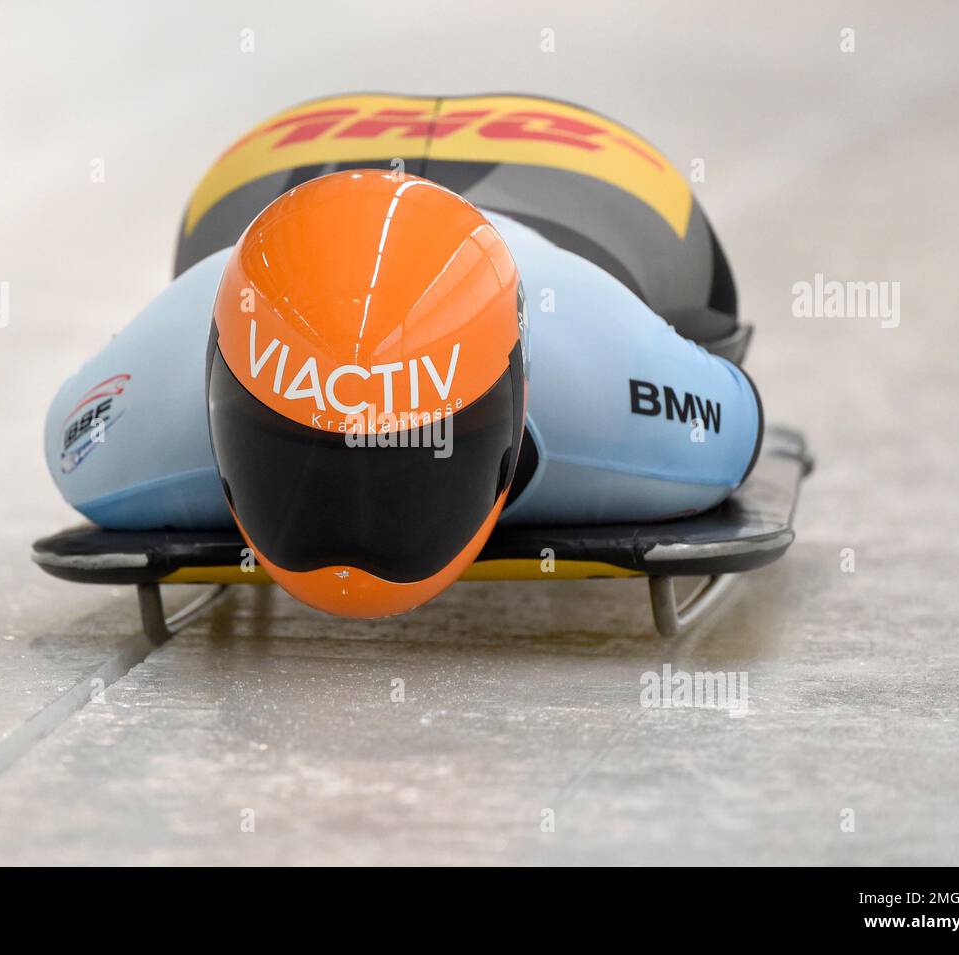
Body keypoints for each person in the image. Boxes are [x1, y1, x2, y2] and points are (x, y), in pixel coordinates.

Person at [44, 94, 762, 617]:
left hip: (274, 171)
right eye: (295, 450)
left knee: (694, 286)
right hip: (583, 177)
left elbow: (67, 437)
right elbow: (738, 412)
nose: (357, 520)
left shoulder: (116, 453)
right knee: (695, 302)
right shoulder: (652, 433)